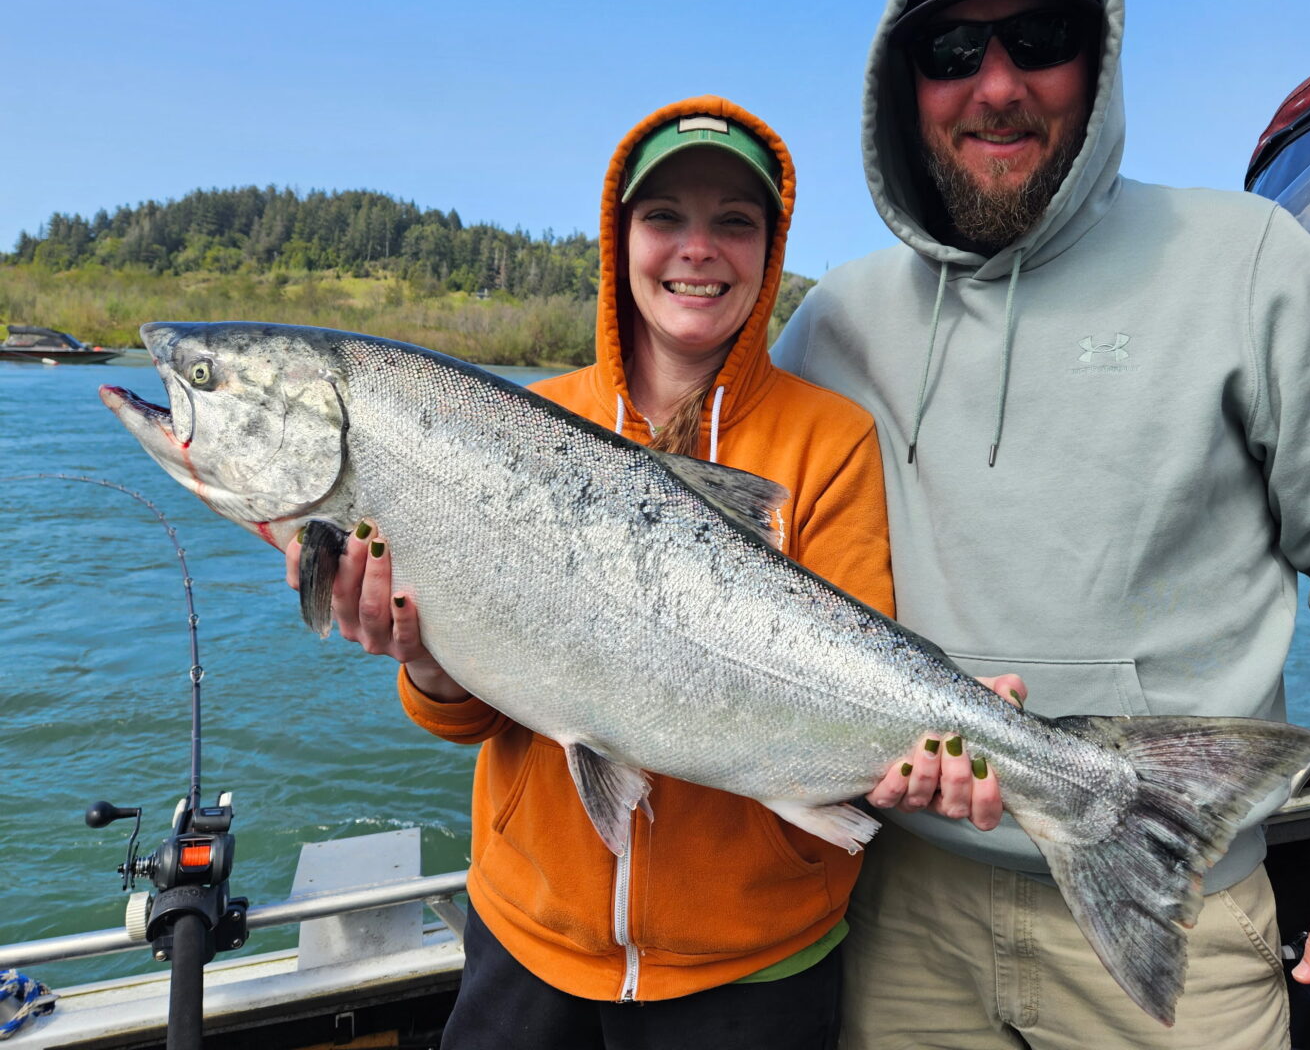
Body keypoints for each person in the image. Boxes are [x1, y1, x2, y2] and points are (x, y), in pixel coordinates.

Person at [770, 0, 1310, 1049]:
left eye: (1037, 41)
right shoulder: (836, 321)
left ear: (1096, 63)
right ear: (904, 84)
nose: (995, 86)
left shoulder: (1247, 262)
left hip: (1179, 921)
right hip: (901, 916)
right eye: (953, 52)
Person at [287, 96, 896, 1048]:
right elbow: (470, 711)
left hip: (758, 959)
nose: (697, 248)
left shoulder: (831, 440)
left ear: (770, 254)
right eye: (665, 219)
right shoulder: (510, 426)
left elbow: (859, 688)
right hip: (529, 943)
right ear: (620, 244)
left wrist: (935, 751)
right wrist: (426, 666)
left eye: (733, 222)